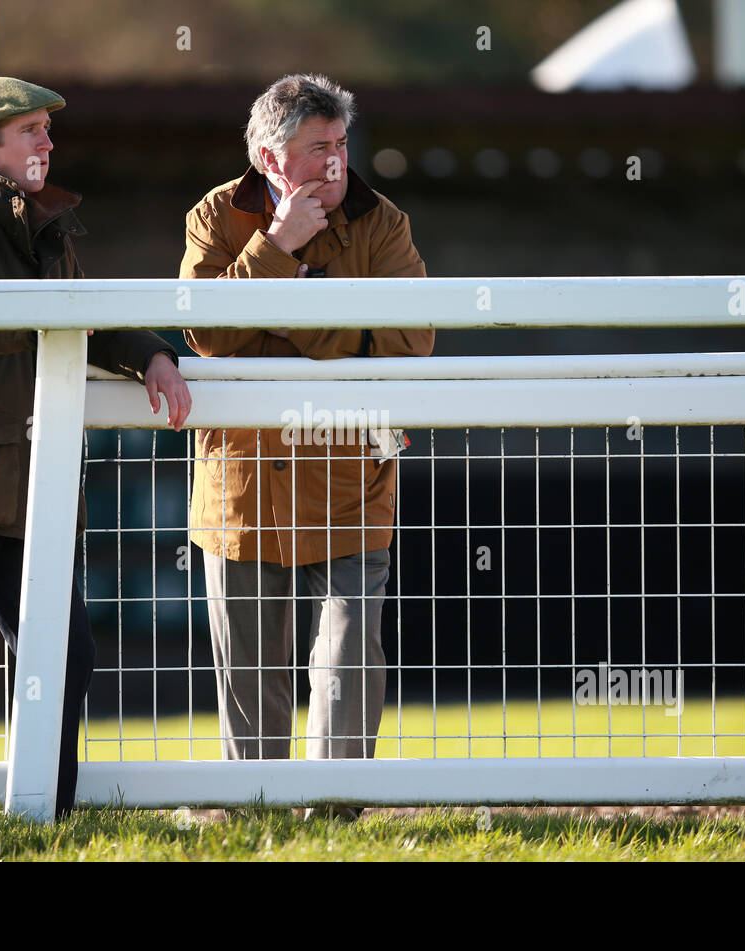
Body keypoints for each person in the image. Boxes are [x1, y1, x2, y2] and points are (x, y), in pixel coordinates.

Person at [0, 76, 191, 819]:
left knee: (65, 657)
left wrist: (151, 353)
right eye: (30, 131)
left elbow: (87, 316)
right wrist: (53, 324)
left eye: (48, 131)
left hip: (32, 491)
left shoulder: (48, 229)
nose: (48, 143)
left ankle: (47, 814)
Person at [179, 74, 433, 800]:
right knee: (250, 673)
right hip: (243, 483)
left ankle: (337, 811)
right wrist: (280, 244)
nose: (334, 162)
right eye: (317, 147)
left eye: (342, 144)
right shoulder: (214, 214)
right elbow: (205, 331)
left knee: (351, 659)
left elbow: (408, 340)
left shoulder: (382, 221)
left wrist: (284, 310)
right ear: (268, 154)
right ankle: (256, 809)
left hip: (355, 477)